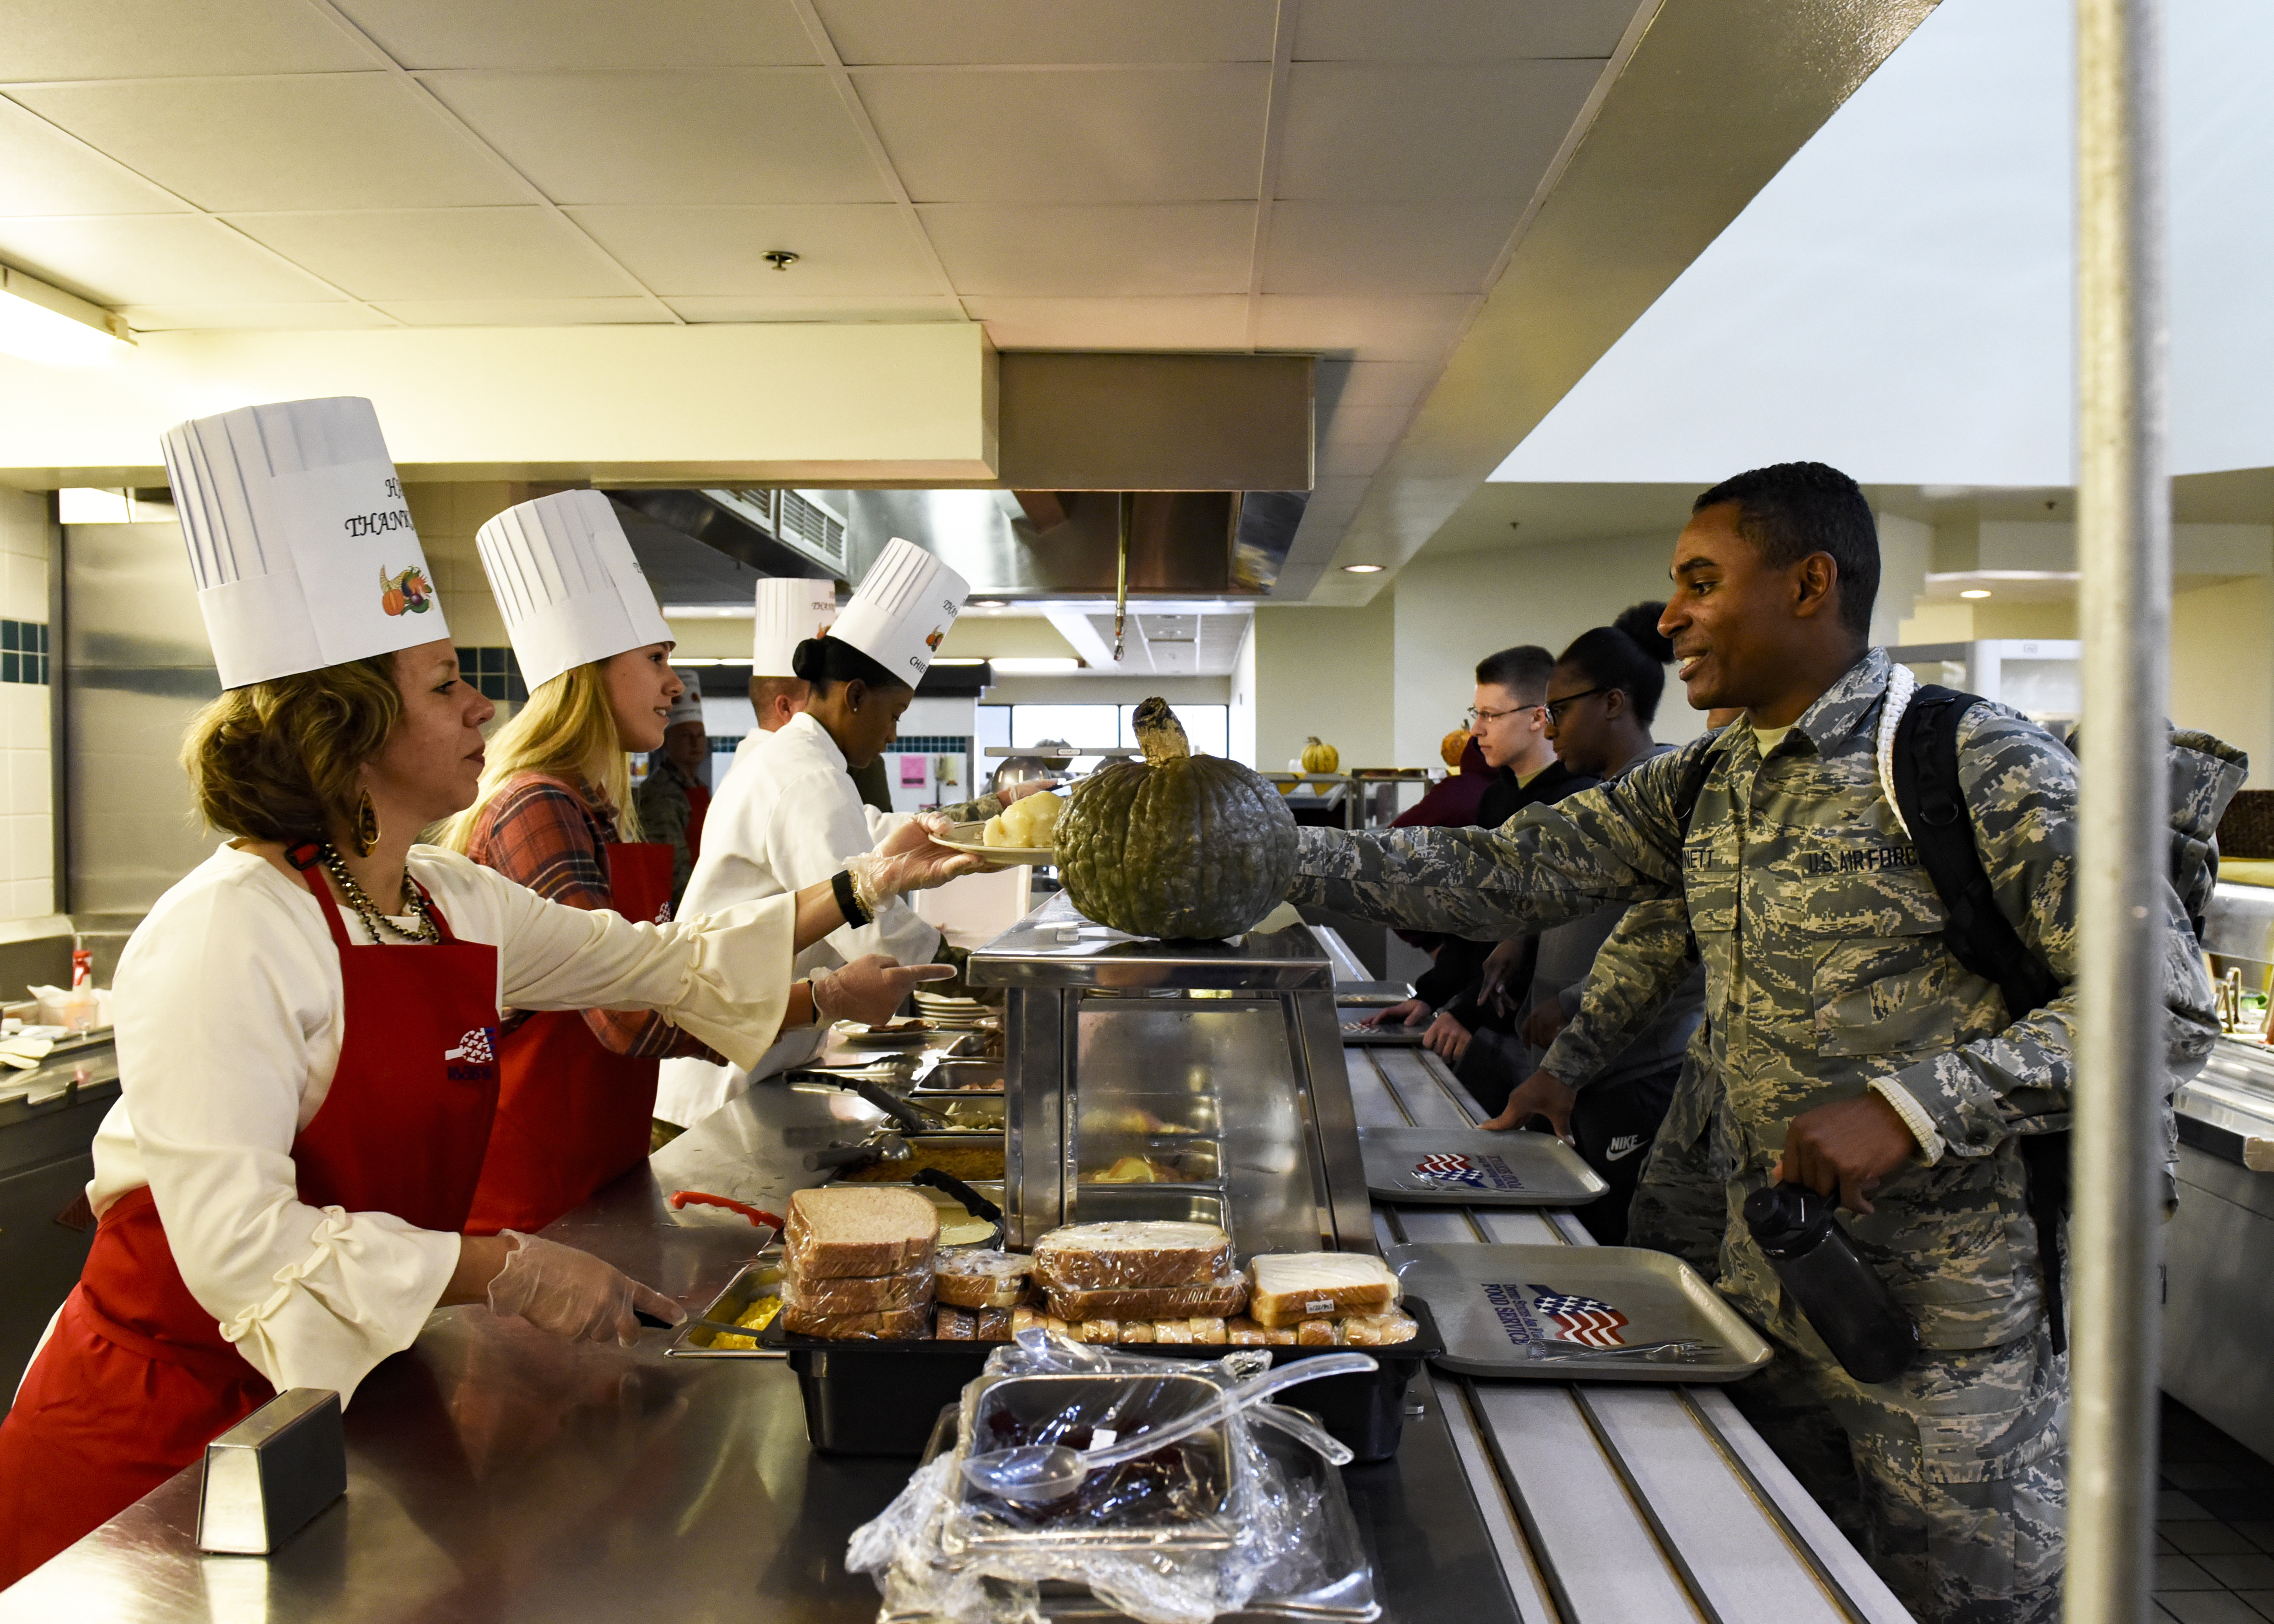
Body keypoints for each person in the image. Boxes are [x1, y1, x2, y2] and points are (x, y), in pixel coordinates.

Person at [0, 398, 978, 1586]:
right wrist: (502, 1266)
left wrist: (866, 881)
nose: (479, 708)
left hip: (336, 1391)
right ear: (341, 730)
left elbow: (662, 963)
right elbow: (249, 1248)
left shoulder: (446, 896)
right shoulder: (224, 934)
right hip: (147, 1440)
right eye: (440, 688)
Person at [1282, 461, 2221, 1624]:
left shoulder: (1970, 760)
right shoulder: (1712, 783)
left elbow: (2166, 1008)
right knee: (1779, 1583)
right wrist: (1279, 853)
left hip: (1950, 1341)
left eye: (1701, 580)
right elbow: (1507, 867)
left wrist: (1911, 1107)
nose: (1668, 614)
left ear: (1812, 583)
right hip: (1768, 1291)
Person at [655, 542, 1051, 1130]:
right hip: (716, 1090)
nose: (894, 733)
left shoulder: (809, 768)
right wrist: (987, 980)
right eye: (894, 714)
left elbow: (880, 837)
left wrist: (991, 814)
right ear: (856, 695)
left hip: (752, 1064)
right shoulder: (803, 777)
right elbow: (864, 927)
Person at [442, 490, 717, 1234]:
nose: (673, 684)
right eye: (656, 660)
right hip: (530, 1207)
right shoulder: (536, 806)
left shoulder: (592, 806)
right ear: (591, 673)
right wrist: (794, 1006)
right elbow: (622, 1009)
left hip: (591, 1181)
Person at [1465, 605, 1705, 1242]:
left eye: (1558, 709)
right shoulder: (1594, 800)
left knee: (1608, 1236)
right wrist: (1521, 939)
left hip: (1633, 1074)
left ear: (1612, 704)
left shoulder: (1670, 799)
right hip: (1575, 1068)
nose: (1549, 727)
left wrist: (1573, 1004)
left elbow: (1679, 955)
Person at [1365, 646, 1595, 1061]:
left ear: (1538, 717)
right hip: (1480, 1019)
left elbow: (1539, 941)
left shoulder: (1576, 802)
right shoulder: (1494, 799)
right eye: (1477, 713)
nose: (1476, 730)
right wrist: (1432, 996)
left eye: (1491, 715)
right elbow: (1475, 920)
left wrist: (1467, 1012)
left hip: (1539, 1032)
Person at [638, 673, 711, 911]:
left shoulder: (697, 786)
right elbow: (670, 865)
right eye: (686, 736)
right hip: (681, 907)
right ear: (667, 742)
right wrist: (696, 909)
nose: (695, 743)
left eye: (700, 736)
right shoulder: (660, 792)